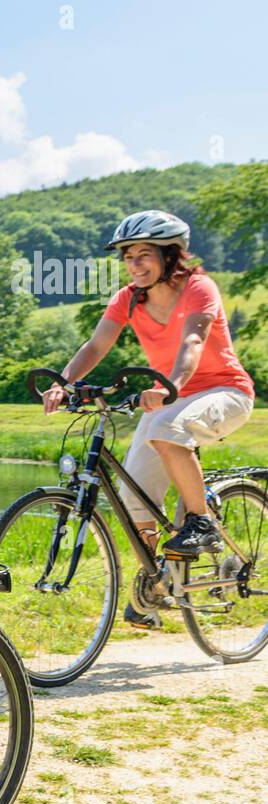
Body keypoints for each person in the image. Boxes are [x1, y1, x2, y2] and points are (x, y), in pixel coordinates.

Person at [43, 211, 256, 627]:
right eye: (128, 257)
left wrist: (169, 385)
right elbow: (97, 343)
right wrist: (65, 383)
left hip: (224, 391)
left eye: (144, 255)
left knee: (165, 429)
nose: (134, 264)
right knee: (133, 490)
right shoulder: (128, 298)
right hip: (171, 398)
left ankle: (201, 523)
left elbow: (193, 341)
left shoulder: (198, 287)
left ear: (170, 255)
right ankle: (156, 583)